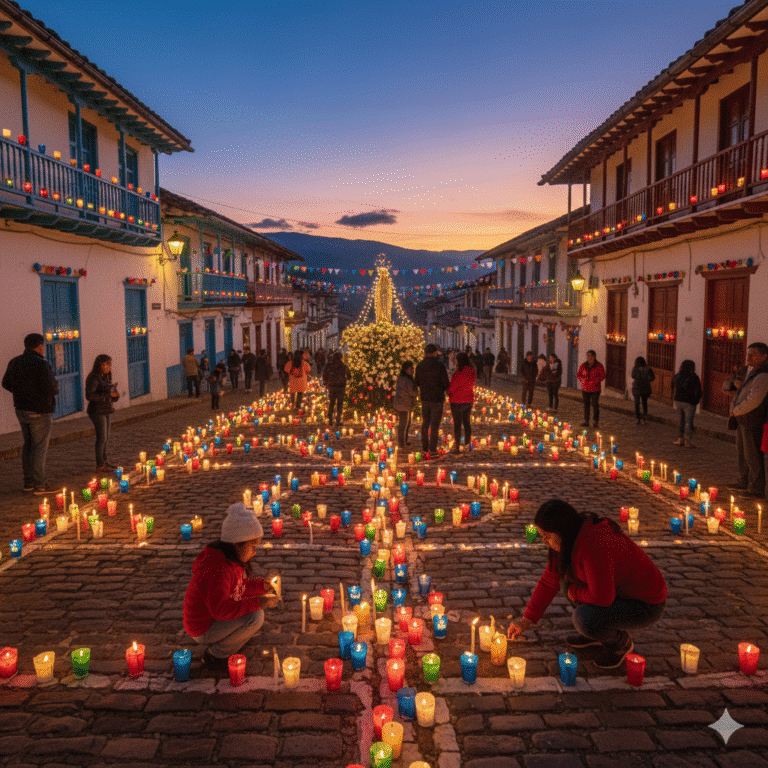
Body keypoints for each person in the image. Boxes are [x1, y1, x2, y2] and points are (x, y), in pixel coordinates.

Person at [507, 499, 667, 669]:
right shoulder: (568, 543)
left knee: (584, 618)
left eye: (547, 536)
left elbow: (603, 597)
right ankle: (598, 636)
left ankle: (620, 644)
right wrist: (525, 622)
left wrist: (574, 593)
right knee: (564, 582)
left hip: (646, 604)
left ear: (563, 531)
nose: (544, 542)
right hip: (619, 594)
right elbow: (548, 581)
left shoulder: (592, 545)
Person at [183, 503, 277, 672]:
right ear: (237, 544)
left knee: (252, 611)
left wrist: (261, 586)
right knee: (255, 617)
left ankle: (229, 639)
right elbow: (220, 610)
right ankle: (216, 654)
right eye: (253, 546)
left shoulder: (230, 562)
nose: (255, 552)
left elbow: (237, 589)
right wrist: (257, 603)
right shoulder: (219, 570)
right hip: (203, 628)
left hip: (211, 618)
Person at [2, 333, 59, 493]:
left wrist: (21, 392)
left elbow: (5, 383)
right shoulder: (41, 364)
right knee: (40, 448)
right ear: (40, 346)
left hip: (21, 409)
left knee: (28, 446)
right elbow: (51, 388)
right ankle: (40, 484)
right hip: (39, 411)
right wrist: (55, 386)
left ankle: (28, 482)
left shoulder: (14, 362)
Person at [729, 343, 768, 498]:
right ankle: (744, 481)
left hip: (753, 419)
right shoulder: (753, 371)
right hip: (743, 419)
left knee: (753, 455)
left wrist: (736, 410)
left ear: (764, 356)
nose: (748, 357)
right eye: (748, 354)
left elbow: (754, 399)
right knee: (743, 453)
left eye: (753, 354)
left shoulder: (763, 375)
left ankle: (756, 489)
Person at [414, 343, 450, 457]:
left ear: (425, 353)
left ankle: (425, 447)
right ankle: (433, 449)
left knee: (425, 423)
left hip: (425, 398)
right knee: (434, 424)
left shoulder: (419, 366)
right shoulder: (440, 366)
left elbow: (417, 382)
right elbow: (445, 383)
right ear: (434, 353)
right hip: (437, 398)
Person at [85, 354, 120, 471]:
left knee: (106, 437)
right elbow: (90, 395)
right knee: (101, 438)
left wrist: (115, 395)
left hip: (106, 409)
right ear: (101, 364)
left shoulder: (105, 377)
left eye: (110, 364)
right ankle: (100, 464)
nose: (110, 367)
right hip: (97, 411)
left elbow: (109, 393)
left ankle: (105, 460)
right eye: (107, 364)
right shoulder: (94, 378)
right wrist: (107, 396)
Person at [448, 352, 475, 453]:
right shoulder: (471, 371)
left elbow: (453, 387)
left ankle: (457, 446)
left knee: (458, 425)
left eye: (456, 360)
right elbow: (472, 383)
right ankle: (468, 445)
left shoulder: (458, 373)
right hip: (468, 400)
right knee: (467, 423)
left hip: (457, 401)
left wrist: (449, 391)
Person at [671, 359, 702, 448]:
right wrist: (696, 400)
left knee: (681, 420)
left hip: (678, 401)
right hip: (689, 402)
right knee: (688, 422)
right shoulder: (694, 377)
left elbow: (672, 387)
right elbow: (699, 391)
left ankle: (680, 439)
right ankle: (687, 441)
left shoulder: (677, 376)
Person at [577, 350, 606, 428]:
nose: (589, 358)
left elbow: (602, 375)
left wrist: (594, 381)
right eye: (588, 356)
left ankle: (595, 421)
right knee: (586, 405)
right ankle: (586, 421)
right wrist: (582, 379)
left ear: (594, 357)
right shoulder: (583, 365)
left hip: (595, 389)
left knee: (595, 404)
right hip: (585, 388)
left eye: (591, 356)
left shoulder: (599, 366)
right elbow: (578, 374)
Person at [394, 361, 417, 449]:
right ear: (406, 369)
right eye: (411, 369)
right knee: (404, 424)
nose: (412, 371)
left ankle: (404, 441)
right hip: (405, 405)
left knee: (405, 424)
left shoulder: (401, 378)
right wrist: (416, 391)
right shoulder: (407, 380)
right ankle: (402, 442)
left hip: (401, 404)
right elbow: (413, 392)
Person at [323, 351, 349, 426]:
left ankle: (330, 419)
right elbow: (349, 375)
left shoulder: (329, 365)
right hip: (341, 386)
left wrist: (327, 381)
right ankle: (338, 420)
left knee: (332, 402)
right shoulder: (343, 366)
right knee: (339, 404)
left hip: (331, 386)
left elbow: (324, 374)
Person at [631, 356, 655, 425]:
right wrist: (647, 380)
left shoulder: (635, 369)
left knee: (637, 404)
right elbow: (653, 377)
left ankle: (638, 419)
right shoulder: (648, 369)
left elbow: (633, 376)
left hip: (637, 388)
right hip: (646, 388)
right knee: (644, 403)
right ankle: (645, 418)